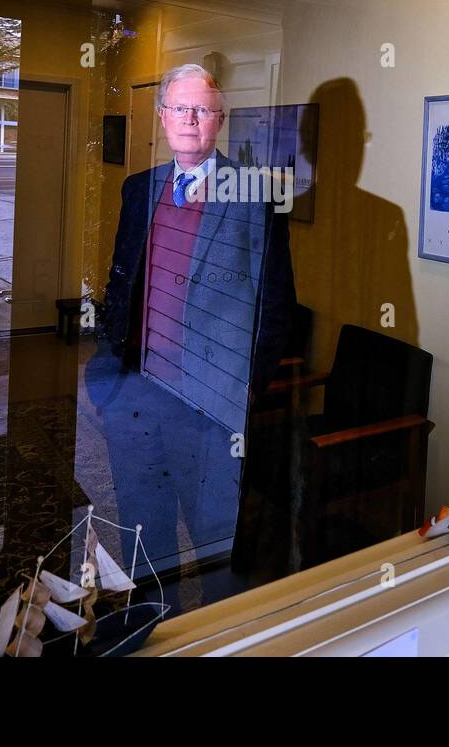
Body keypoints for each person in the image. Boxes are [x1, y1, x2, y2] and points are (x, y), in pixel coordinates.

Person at [85, 63, 296, 602]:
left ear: (219, 121)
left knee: (215, 536)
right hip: (135, 396)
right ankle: (154, 623)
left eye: (202, 109)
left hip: (209, 408)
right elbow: (122, 282)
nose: (189, 119)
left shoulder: (256, 195)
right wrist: (108, 377)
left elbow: (276, 308)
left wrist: (242, 390)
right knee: (142, 527)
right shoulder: (140, 189)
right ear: (161, 117)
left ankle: (217, 633)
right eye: (179, 107)